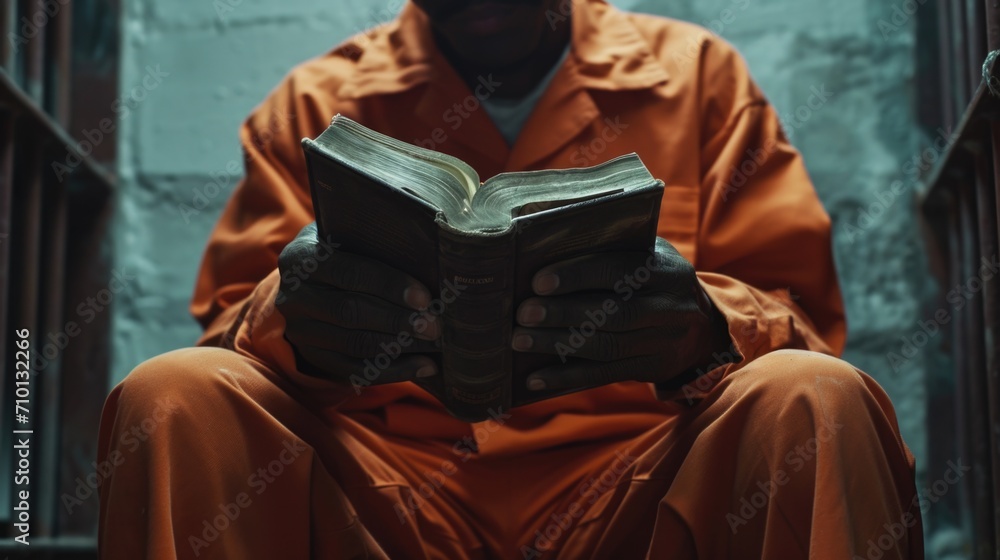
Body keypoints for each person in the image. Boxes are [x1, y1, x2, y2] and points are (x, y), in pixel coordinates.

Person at [97, 0, 924, 558]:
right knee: (173, 392)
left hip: (637, 487)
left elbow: (806, 328)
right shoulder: (317, 102)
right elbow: (227, 346)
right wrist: (299, 316)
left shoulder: (700, 79)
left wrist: (705, 328)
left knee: (815, 395)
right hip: (389, 497)